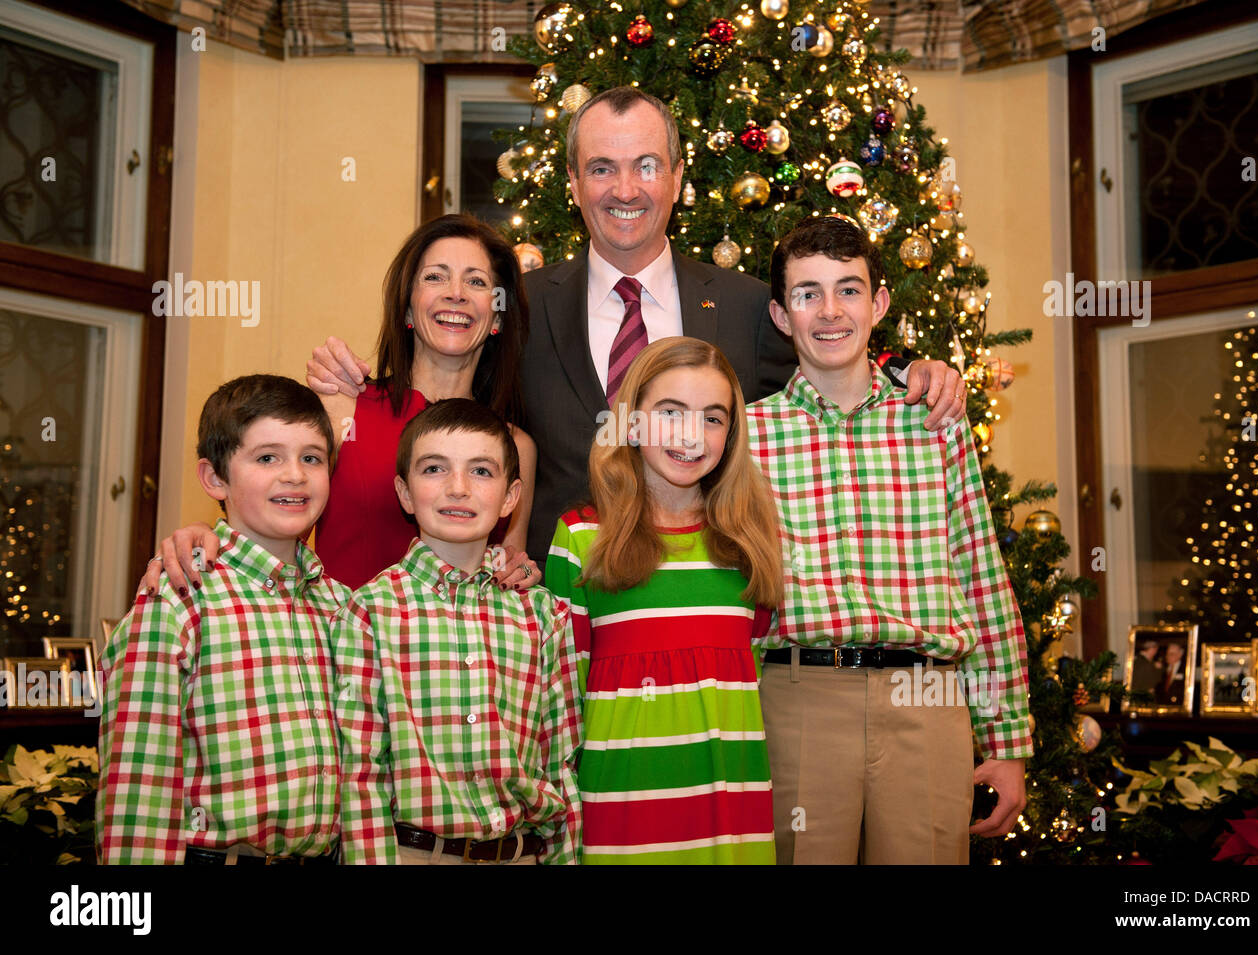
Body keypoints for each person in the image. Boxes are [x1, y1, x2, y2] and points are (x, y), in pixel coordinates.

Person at [305, 87, 969, 561]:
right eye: (601, 168)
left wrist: (909, 368)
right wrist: (355, 392)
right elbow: (445, 398)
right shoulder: (521, 307)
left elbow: (828, 372)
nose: (625, 189)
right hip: (553, 622)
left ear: (678, 177)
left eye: (646, 166)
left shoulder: (744, 304)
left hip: (706, 620)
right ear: (573, 182)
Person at [750, 215, 1031, 864]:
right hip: (799, 701)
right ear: (780, 313)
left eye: (848, 289)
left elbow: (981, 573)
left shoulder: (935, 421)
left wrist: (1008, 740)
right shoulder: (746, 434)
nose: (829, 311)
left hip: (927, 698)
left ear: (877, 304)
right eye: (807, 292)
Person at [142, 214, 540, 595]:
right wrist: (204, 535)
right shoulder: (343, 407)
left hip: (449, 658)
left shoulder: (514, 444)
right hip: (338, 654)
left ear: (497, 318)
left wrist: (519, 570)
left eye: (476, 281)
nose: (456, 292)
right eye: (435, 277)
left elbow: (507, 565)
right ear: (406, 308)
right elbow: (270, 520)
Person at [546, 337, 785, 863]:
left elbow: (753, 672)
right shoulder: (582, 539)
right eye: (670, 412)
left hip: (731, 821)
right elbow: (562, 702)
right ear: (630, 424)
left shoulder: (750, 543)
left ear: (731, 433)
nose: (690, 435)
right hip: (621, 816)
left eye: (713, 418)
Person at [98, 375, 349, 864]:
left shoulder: (341, 608)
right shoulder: (177, 602)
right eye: (267, 457)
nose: (295, 475)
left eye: (312, 458)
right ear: (215, 478)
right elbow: (138, 791)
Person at [331, 399, 582, 864]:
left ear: (511, 497)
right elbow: (361, 773)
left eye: (482, 471)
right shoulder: (369, 612)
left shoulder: (544, 616)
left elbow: (561, 764)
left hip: (521, 852)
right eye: (434, 469)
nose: (458, 488)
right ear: (405, 494)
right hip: (412, 853)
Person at [1154, 642, 1186, 706]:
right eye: (1167, 653)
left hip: (1177, 705)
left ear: (1180, 655)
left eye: (1171, 654)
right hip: (1162, 704)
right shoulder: (1163, 668)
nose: (1167, 656)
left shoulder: (1185, 670)